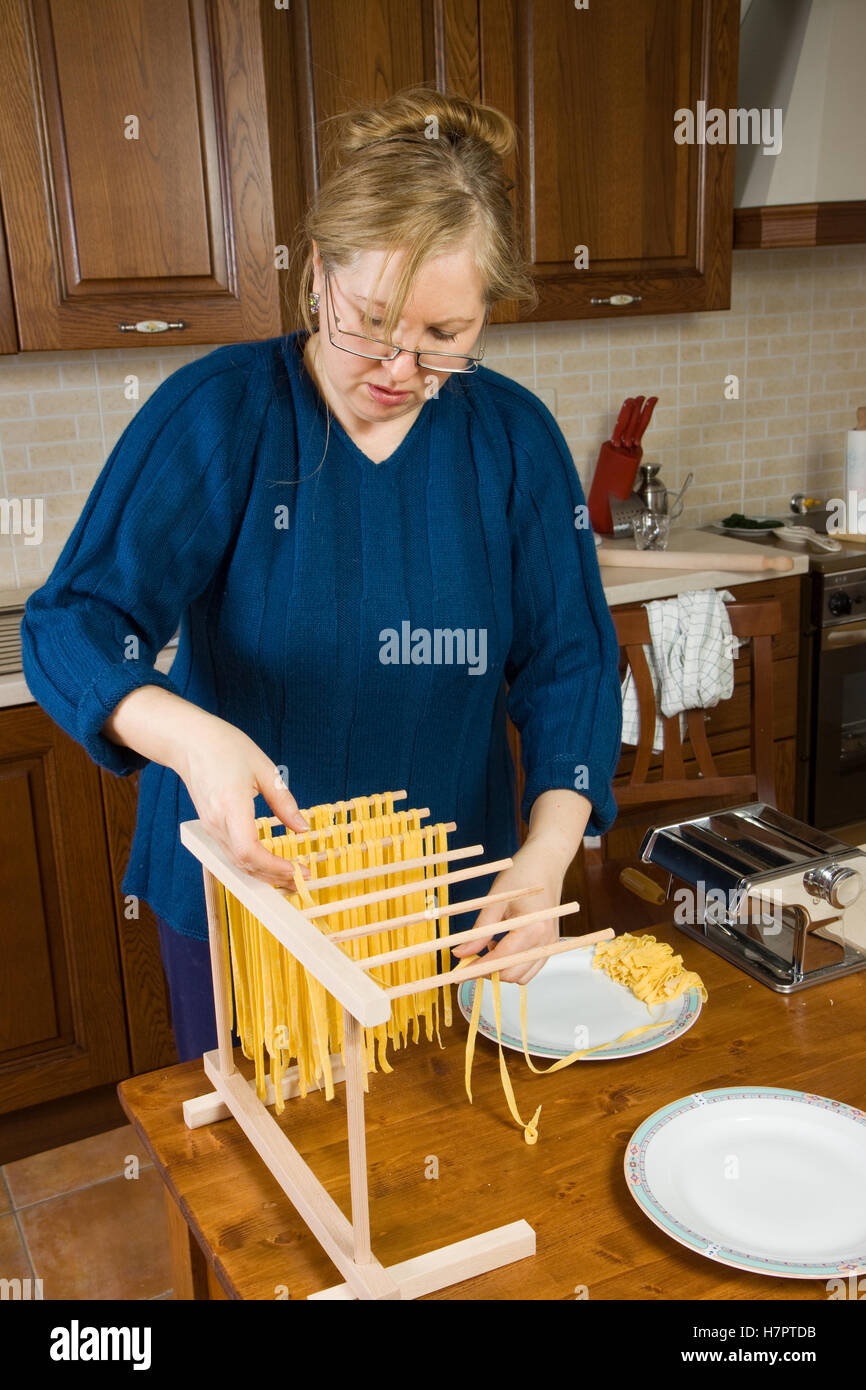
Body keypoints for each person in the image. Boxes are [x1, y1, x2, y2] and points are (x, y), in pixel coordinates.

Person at [21, 88, 622, 1063]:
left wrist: (544, 853)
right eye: (369, 320)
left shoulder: (514, 439)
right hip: (249, 906)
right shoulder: (220, 414)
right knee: (249, 1194)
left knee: (431, 1177)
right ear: (315, 279)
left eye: (442, 337)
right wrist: (191, 738)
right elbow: (71, 622)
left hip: (447, 906)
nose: (396, 364)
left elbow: (571, 666)